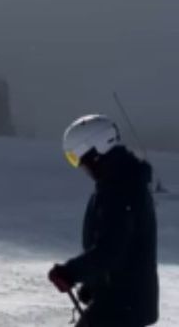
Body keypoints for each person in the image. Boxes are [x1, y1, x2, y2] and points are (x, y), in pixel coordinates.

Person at [48, 114, 158, 327]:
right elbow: (118, 246)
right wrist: (93, 283)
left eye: (76, 157)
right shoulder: (120, 182)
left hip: (123, 306)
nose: (79, 165)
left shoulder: (121, 189)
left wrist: (70, 272)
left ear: (95, 150)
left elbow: (112, 249)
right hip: (119, 302)